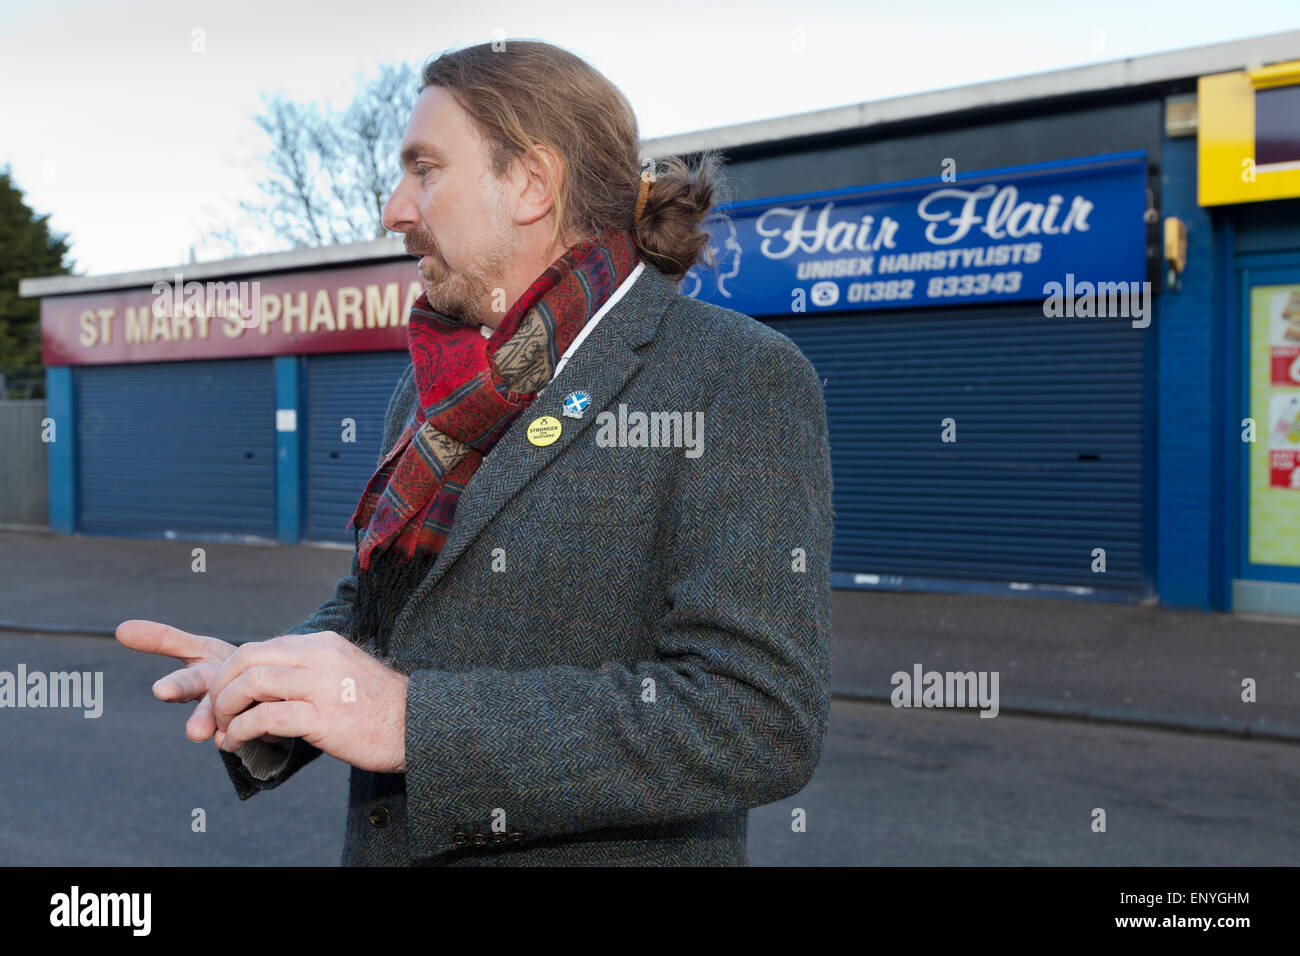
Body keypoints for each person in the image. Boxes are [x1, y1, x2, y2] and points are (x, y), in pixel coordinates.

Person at [117, 38, 833, 866]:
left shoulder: (733, 377)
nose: (393, 207)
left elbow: (758, 718)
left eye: (425, 168)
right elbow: (380, 607)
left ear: (530, 182)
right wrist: (268, 681)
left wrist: (410, 722)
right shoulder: (436, 386)